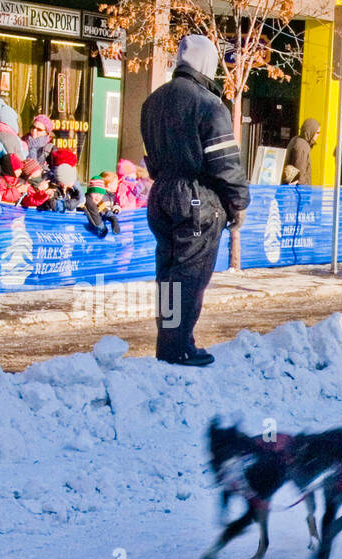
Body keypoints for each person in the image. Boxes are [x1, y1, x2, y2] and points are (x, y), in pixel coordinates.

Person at [140, 33, 249, 367]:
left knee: (169, 275)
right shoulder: (209, 105)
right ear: (207, 64)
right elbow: (225, 163)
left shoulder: (153, 101)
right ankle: (180, 347)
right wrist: (239, 202)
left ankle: (169, 343)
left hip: (161, 196)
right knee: (190, 276)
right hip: (197, 198)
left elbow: (152, 161)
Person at [282, 118, 320, 185]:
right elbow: (300, 171)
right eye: (317, 132)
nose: (318, 135)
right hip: (298, 190)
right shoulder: (302, 146)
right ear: (311, 131)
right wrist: (304, 187)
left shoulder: (296, 139)